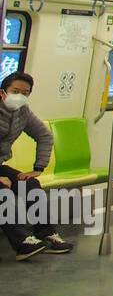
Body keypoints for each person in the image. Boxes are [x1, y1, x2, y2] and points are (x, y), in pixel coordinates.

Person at [0, 71, 72, 260]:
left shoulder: (22, 112)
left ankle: (46, 233)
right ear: (3, 92)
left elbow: (44, 135)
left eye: (25, 93)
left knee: (30, 184)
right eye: (16, 91)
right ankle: (22, 242)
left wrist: (38, 168)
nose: (20, 96)